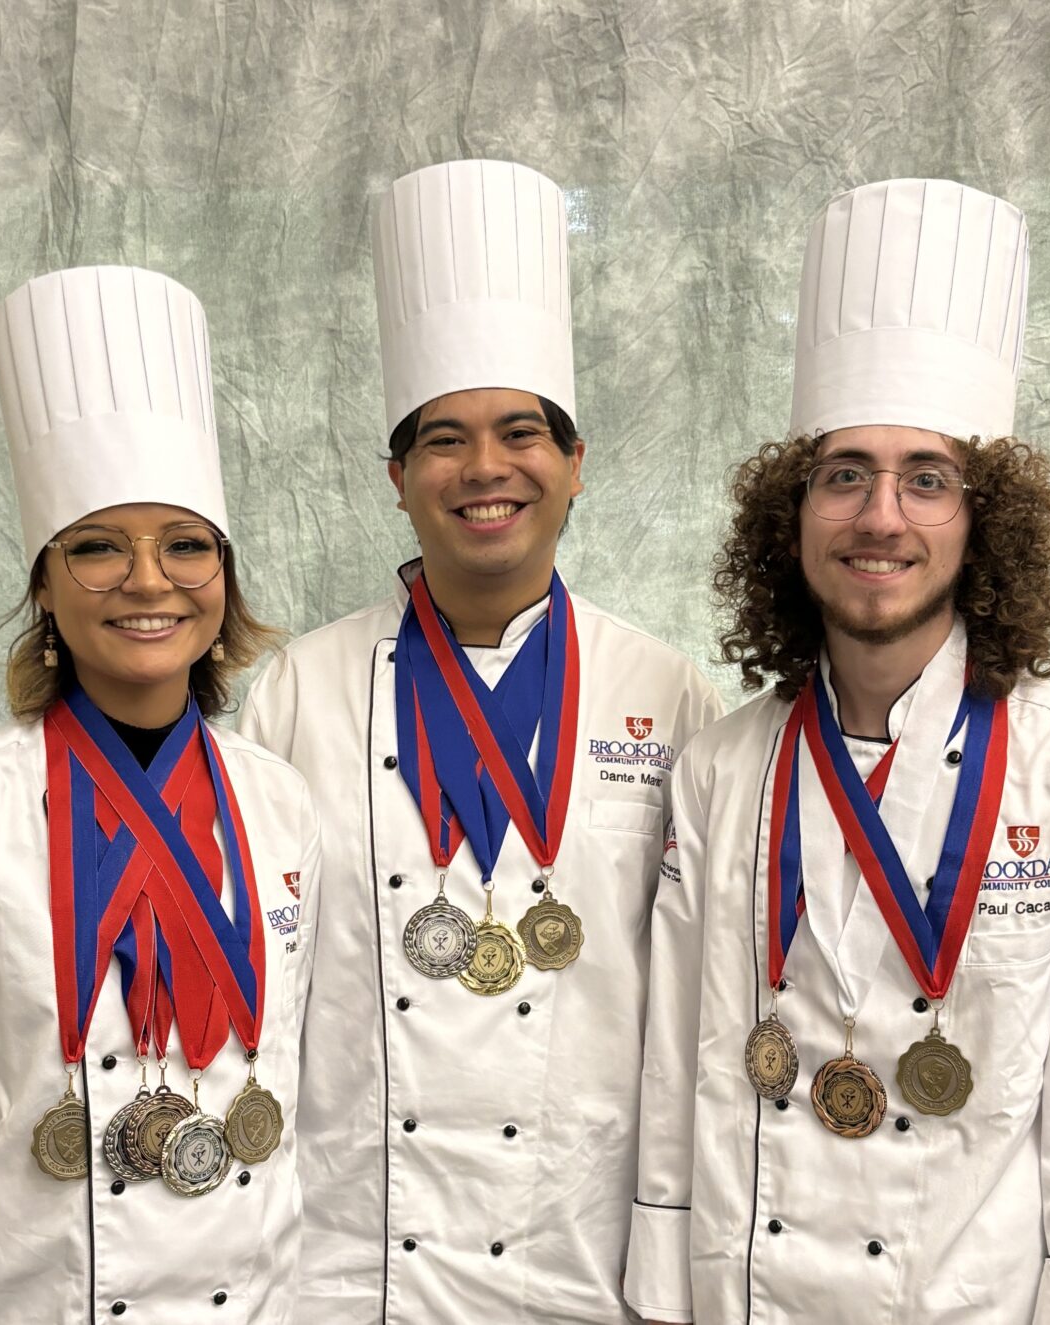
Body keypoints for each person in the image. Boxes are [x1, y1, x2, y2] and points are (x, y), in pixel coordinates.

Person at [626, 179, 1050, 1324]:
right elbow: (675, 1067)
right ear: (787, 519)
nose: (879, 514)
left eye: (924, 478)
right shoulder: (721, 766)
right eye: (843, 473)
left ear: (984, 519)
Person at [239, 158, 723, 1323]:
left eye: (520, 433)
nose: (484, 468)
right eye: (444, 440)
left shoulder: (670, 692)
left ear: (573, 467)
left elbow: (695, 996)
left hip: (580, 1246)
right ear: (398, 477)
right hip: (352, 1263)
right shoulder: (295, 689)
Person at [0, 266, 323, 1324]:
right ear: (43, 581)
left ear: (222, 578)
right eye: (97, 547)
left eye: (184, 544)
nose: (147, 579)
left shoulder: (280, 803)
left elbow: (321, 1078)